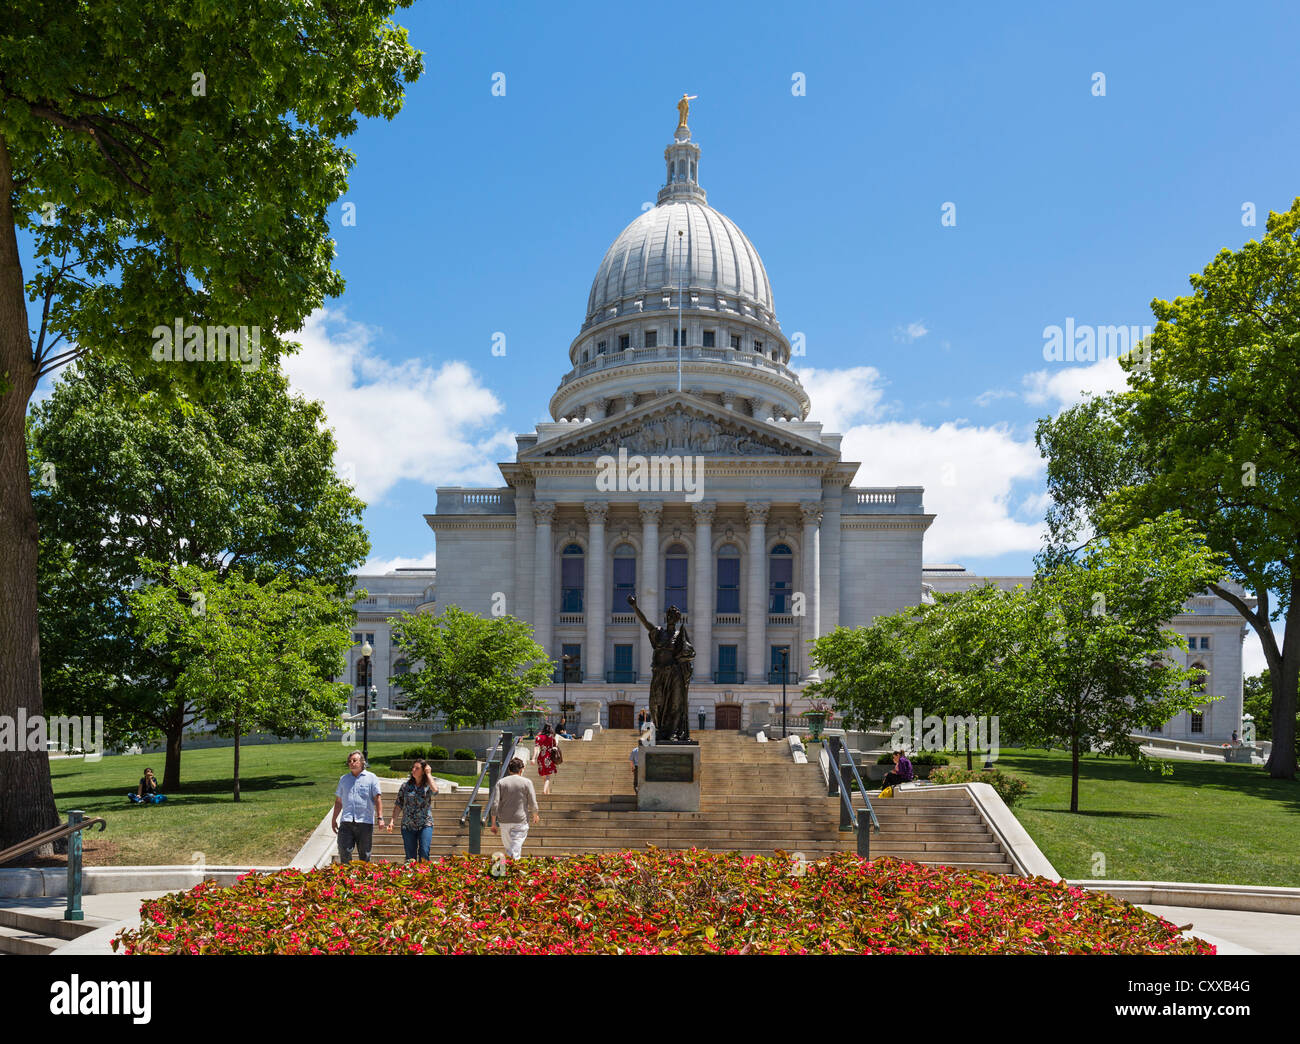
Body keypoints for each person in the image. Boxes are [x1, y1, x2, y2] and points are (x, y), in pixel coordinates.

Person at [332, 750, 385, 862]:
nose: (351, 763)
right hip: (346, 821)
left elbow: (377, 799)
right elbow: (338, 801)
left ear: (362, 762)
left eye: (354, 760)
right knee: (343, 850)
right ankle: (346, 877)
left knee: (365, 855)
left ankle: (363, 878)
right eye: (349, 761)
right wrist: (333, 819)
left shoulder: (372, 778)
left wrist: (380, 818)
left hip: (365, 822)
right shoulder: (343, 779)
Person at [488, 757, 540, 860]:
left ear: (509, 770)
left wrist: (493, 823)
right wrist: (535, 815)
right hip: (520, 821)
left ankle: (509, 869)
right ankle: (512, 869)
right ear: (521, 770)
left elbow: (495, 803)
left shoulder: (501, 783)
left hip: (504, 821)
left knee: (510, 849)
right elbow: (533, 802)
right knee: (514, 850)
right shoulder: (527, 782)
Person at [390, 758, 434, 862]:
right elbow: (398, 804)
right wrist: (392, 821)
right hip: (408, 825)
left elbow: (436, 790)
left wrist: (429, 774)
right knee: (410, 857)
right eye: (413, 767)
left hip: (425, 824)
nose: (413, 770)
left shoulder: (428, 786)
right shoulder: (406, 786)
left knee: (424, 852)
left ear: (423, 771)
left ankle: (425, 876)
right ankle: (411, 877)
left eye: (417, 768)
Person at [535, 721, 559, 795]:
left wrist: (533, 758)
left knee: (544, 775)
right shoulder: (552, 737)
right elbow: (556, 745)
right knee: (548, 776)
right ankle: (545, 790)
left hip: (541, 757)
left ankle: (547, 793)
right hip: (548, 757)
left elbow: (536, 747)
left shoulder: (539, 737)